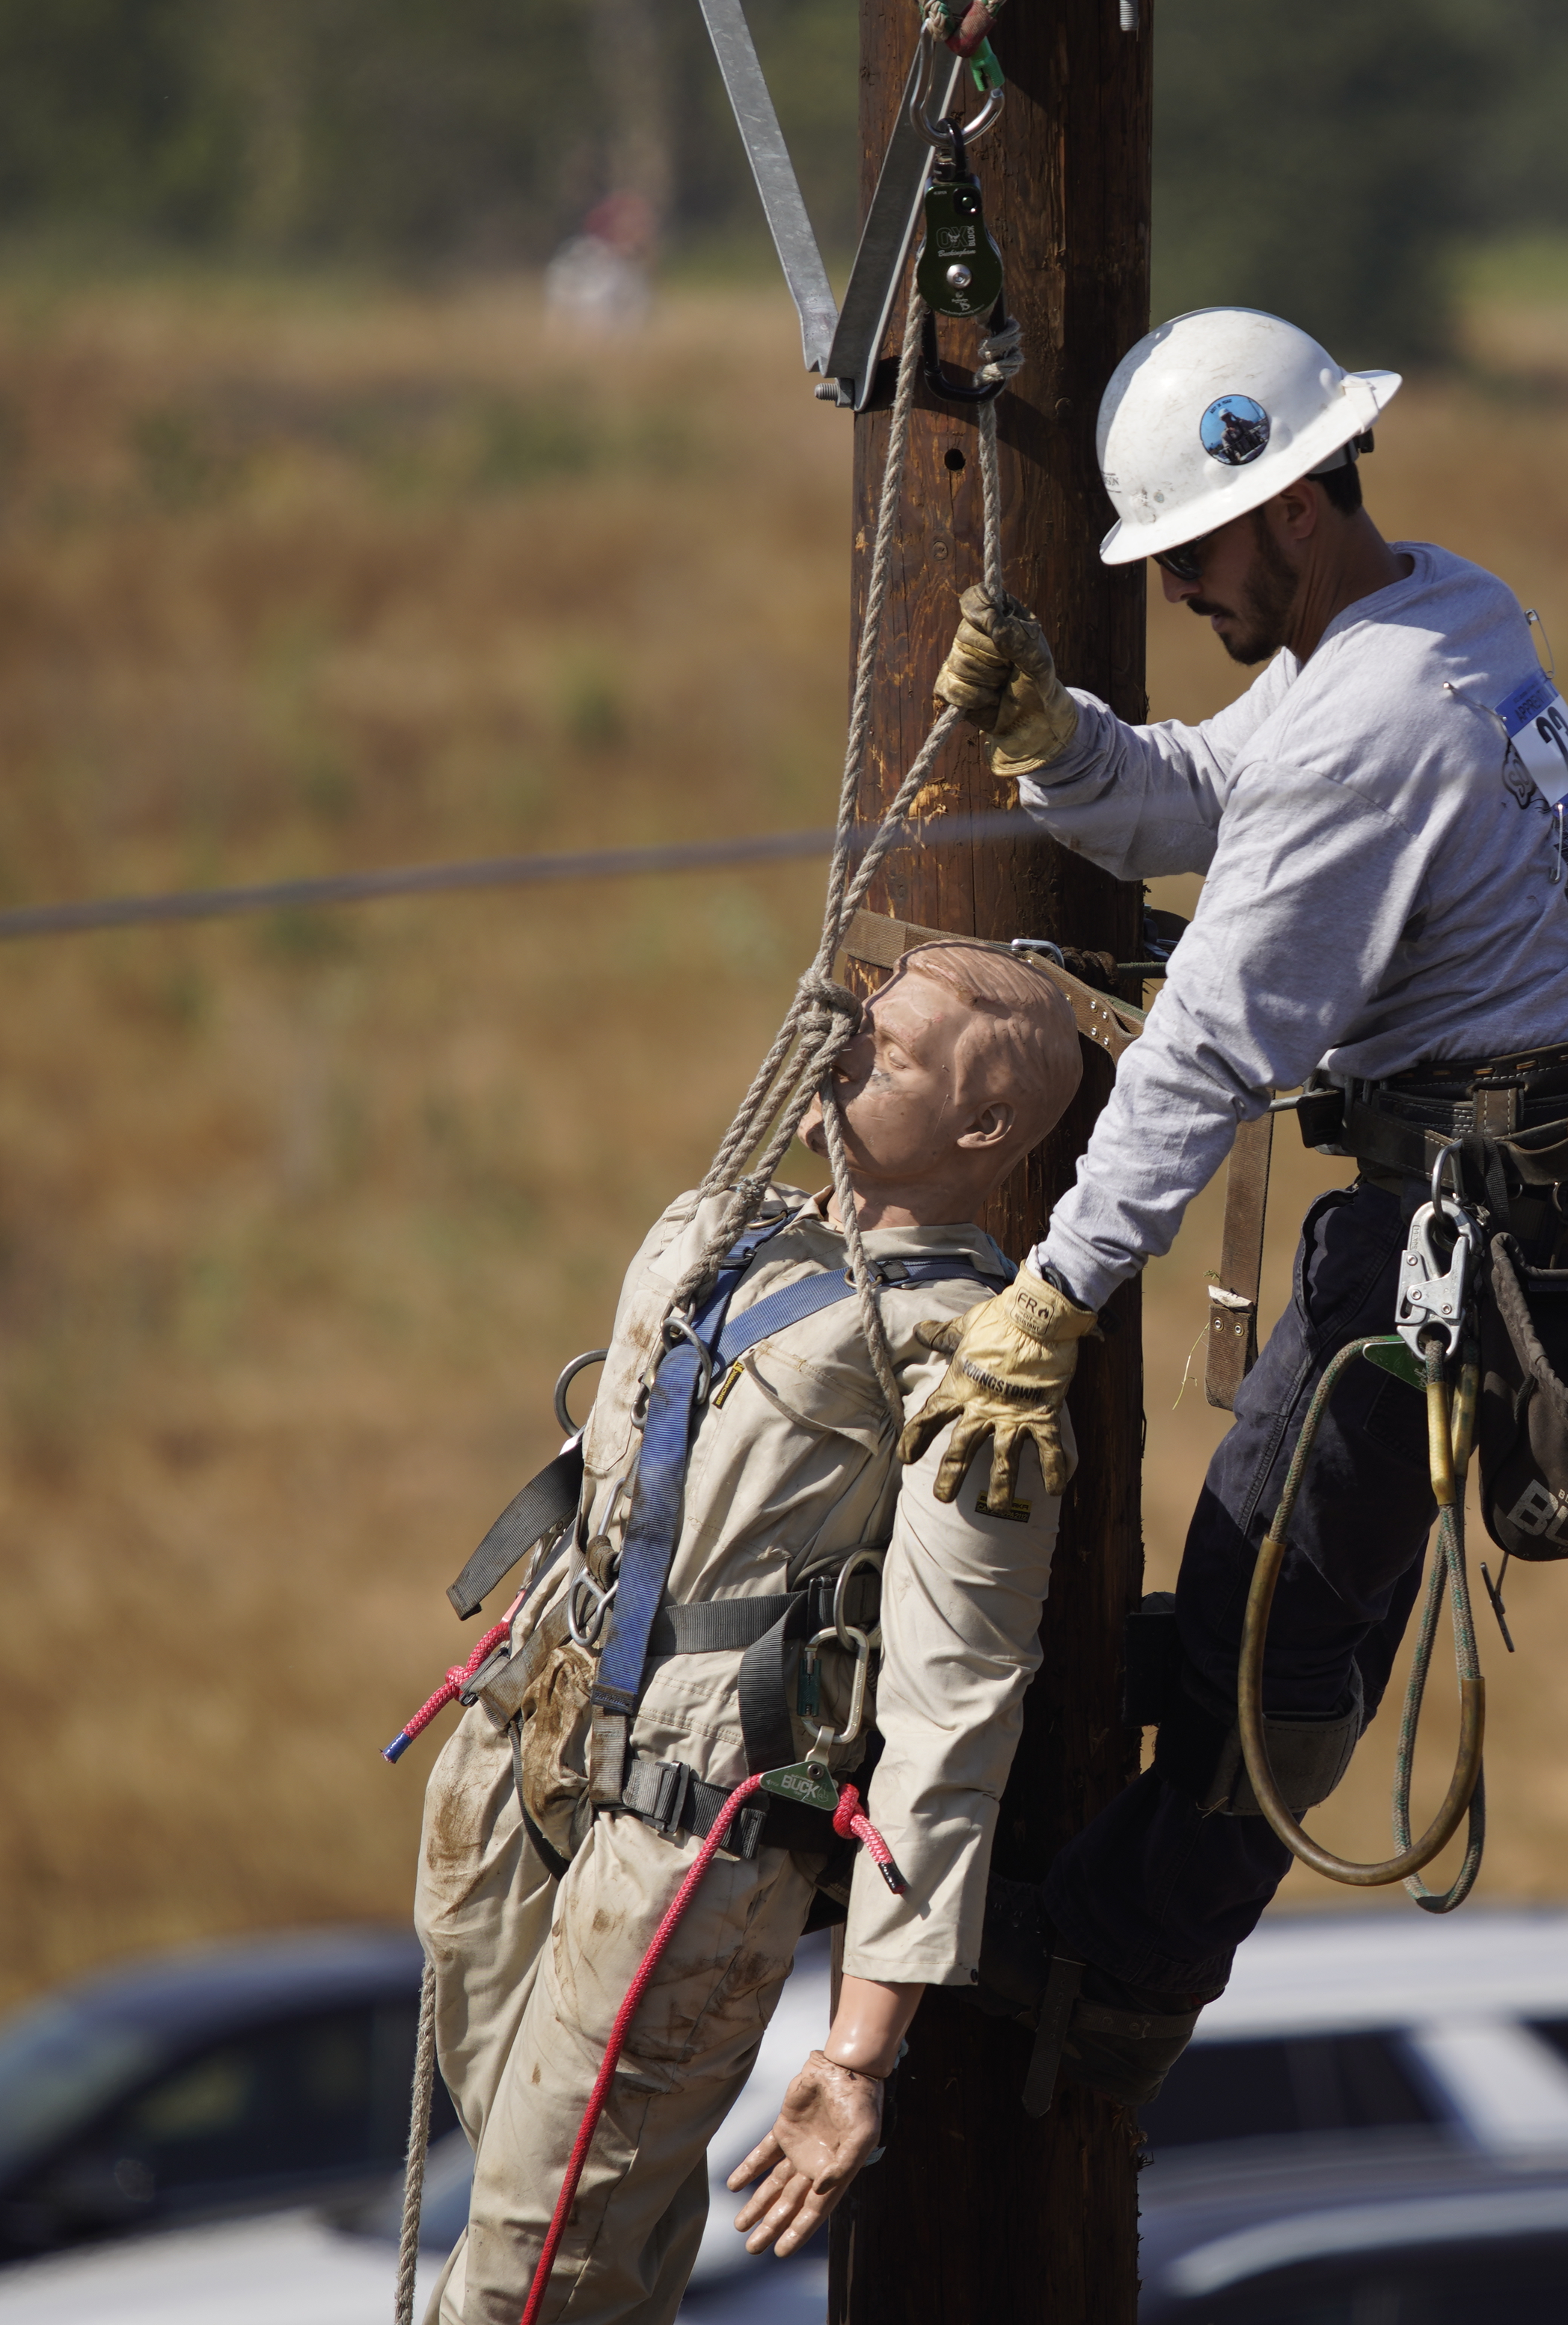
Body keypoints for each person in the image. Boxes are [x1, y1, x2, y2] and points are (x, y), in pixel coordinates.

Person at [911, 306, 1568, 2103]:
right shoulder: (1433, 609)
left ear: (1289, 504)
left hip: (1501, 1228)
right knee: (1267, 1585)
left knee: (1277, 1604)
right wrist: (1058, 737)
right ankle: (1100, 1847)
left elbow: (1205, 1050)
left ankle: (1106, 1976)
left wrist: (1053, 1301)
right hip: (1545, 1198)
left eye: (1194, 548)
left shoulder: (1379, 714)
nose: (1185, 586)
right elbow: (1215, 793)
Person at [412, 943, 1082, 2320]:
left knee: (526, 2284)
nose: (835, 1058)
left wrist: (858, 2054)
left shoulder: (964, 1358)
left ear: (984, 1128)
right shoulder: (731, 1227)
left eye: (883, 1056)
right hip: (536, 1758)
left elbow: (958, 1706)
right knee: (556, 2236)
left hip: (687, 1836)